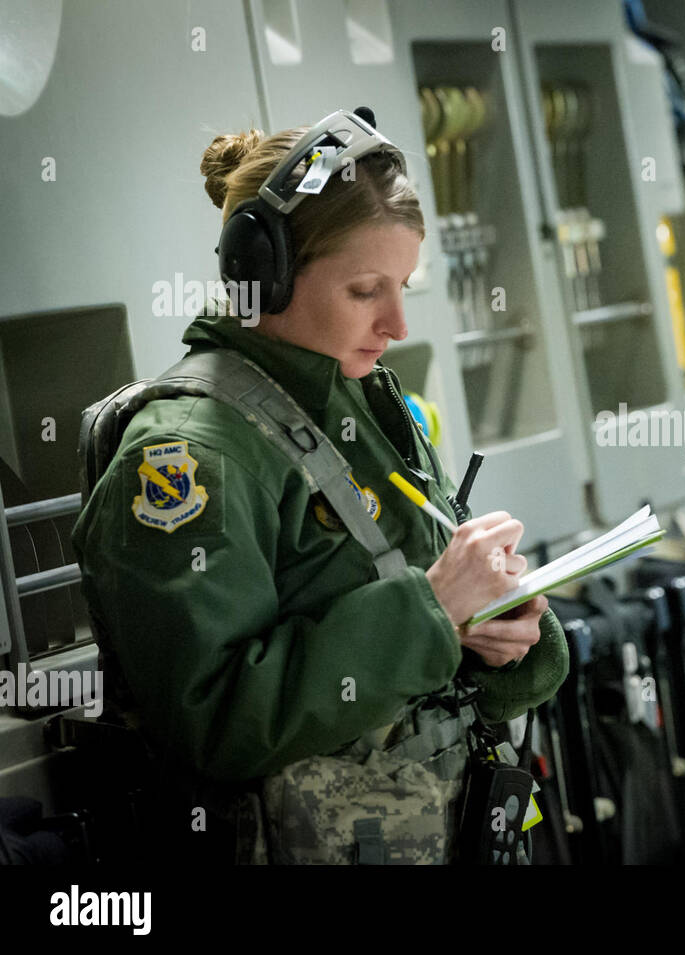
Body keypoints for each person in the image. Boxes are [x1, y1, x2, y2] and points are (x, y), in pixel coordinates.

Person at [70, 112, 569, 864]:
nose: (397, 322)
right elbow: (212, 720)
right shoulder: (186, 455)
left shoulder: (364, 402)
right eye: (367, 289)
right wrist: (432, 612)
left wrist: (493, 628)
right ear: (262, 275)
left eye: (402, 286)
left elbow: (418, 625)